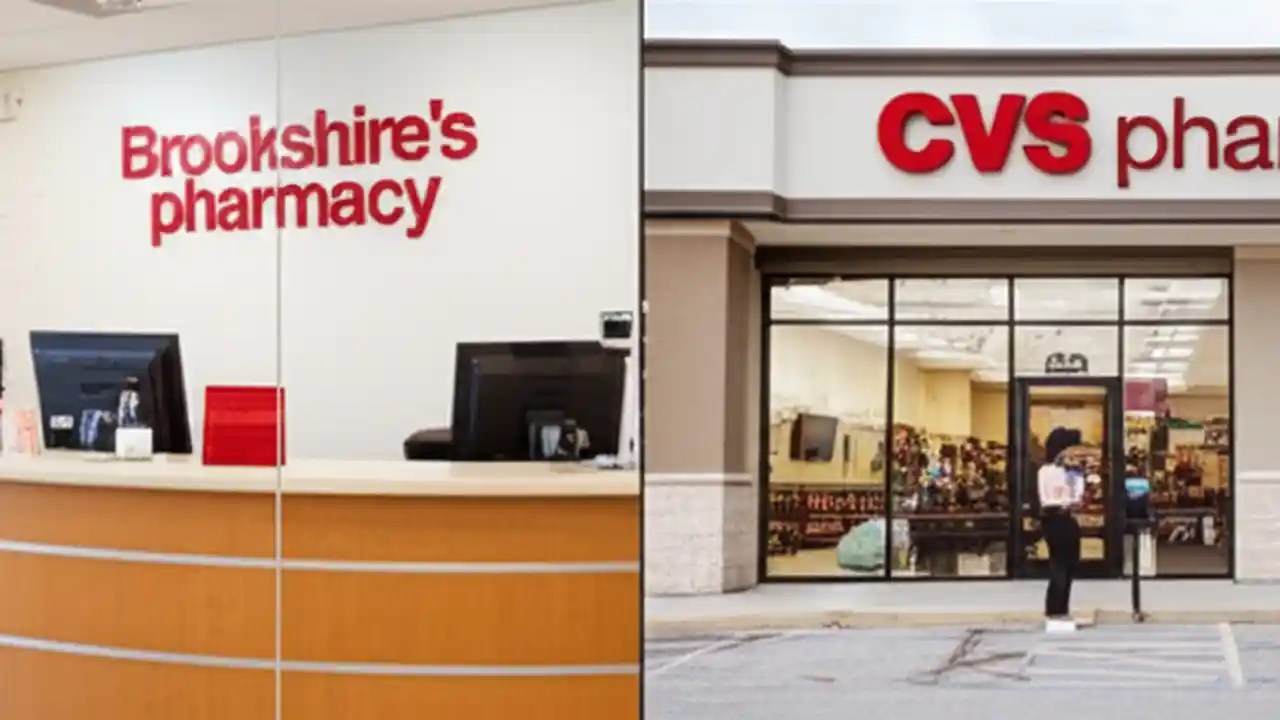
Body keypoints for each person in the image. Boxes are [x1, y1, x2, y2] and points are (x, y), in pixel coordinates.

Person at [1038, 427, 1083, 634]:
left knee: (1068, 563)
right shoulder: (1049, 471)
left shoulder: (1068, 471)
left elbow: (1077, 497)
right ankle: (1056, 608)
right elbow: (1065, 496)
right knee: (1060, 563)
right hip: (1055, 516)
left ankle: (1060, 606)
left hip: (1063, 517)